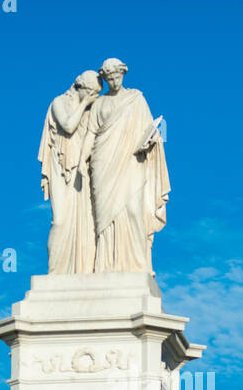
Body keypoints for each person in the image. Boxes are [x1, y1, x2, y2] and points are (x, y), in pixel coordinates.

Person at [83, 58, 170, 273]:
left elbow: (151, 129)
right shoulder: (99, 104)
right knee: (103, 216)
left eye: (117, 76)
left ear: (123, 74)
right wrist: (79, 164)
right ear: (104, 78)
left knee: (133, 209)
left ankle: (138, 265)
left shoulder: (136, 99)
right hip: (103, 161)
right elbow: (90, 134)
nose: (113, 81)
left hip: (132, 160)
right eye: (109, 78)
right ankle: (105, 265)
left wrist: (152, 140)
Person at [38, 70, 100, 273]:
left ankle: (82, 270)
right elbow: (68, 125)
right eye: (92, 93)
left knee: (86, 224)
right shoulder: (59, 102)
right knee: (60, 221)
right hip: (61, 166)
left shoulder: (91, 110)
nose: (94, 98)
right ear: (81, 87)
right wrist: (84, 104)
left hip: (81, 170)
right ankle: (55, 272)